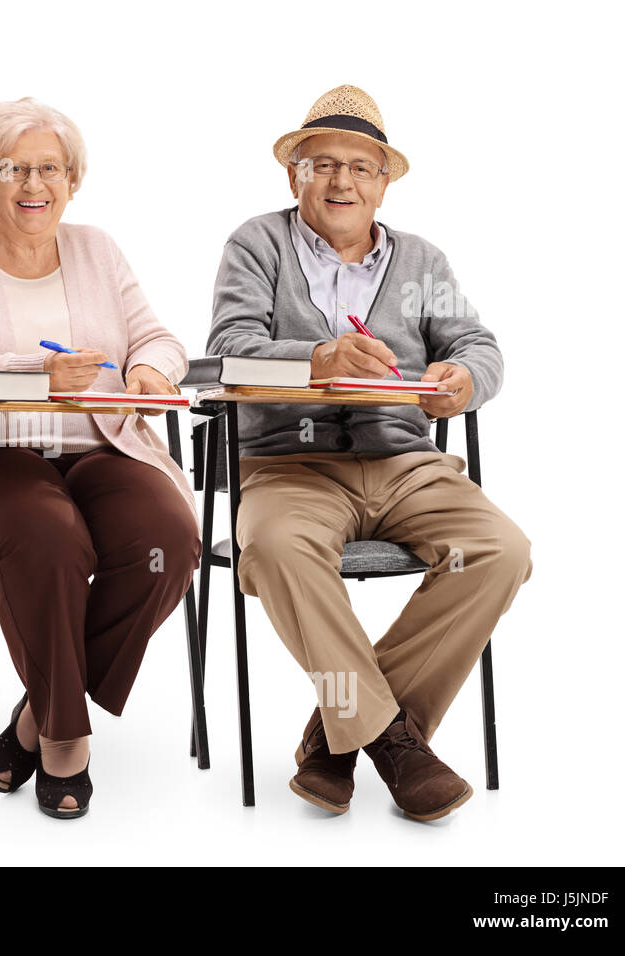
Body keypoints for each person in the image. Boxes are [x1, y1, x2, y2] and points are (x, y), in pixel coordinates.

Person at [207, 84, 532, 821]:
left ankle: (338, 732)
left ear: (383, 182)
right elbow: (227, 351)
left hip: (405, 462)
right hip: (290, 463)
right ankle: (392, 741)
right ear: (294, 175)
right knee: (277, 549)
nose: (341, 180)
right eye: (321, 163)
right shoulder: (256, 244)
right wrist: (317, 358)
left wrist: (463, 379)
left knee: (501, 551)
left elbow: (477, 345)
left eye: (360, 166)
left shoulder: (421, 261)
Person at [0, 97, 201, 819]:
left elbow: (158, 337)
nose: (34, 185)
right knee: (49, 535)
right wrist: (35, 372)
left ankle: (34, 713)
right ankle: (64, 737)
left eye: (50, 169)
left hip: (102, 442)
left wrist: (154, 370)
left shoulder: (97, 248)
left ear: (72, 180)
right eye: (15, 169)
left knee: (169, 538)